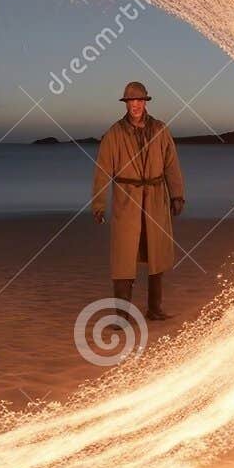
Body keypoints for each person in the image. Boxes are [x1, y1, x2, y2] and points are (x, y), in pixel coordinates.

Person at [91, 81, 185, 320]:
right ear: (126, 104)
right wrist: (99, 203)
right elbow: (102, 170)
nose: (136, 105)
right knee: (124, 257)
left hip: (155, 198)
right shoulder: (114, 134)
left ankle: (155, 309)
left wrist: (177, 194)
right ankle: (122, 316)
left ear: (145, 102)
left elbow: (171, 165)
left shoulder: (160, 130)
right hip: (127, 200)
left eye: (139, 100)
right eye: (131, 101)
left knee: (157, 255)